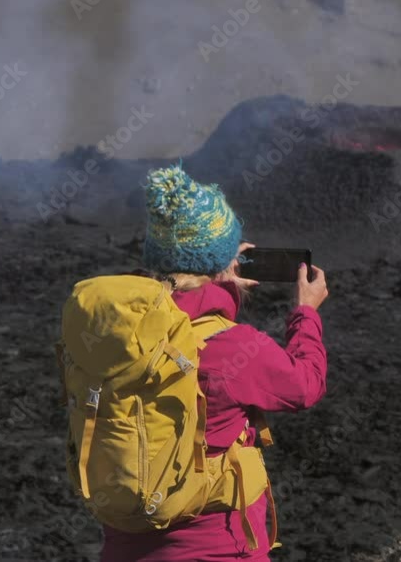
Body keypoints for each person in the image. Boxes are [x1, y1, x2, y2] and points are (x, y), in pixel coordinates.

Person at [100, 165, 329, 562]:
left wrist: (219, 270)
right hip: (217, 548)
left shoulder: (113, 330)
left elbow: (182, 309)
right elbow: (305, 386)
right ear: (221, 262)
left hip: (126, 546)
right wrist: (305, 312)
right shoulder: (235, 347)